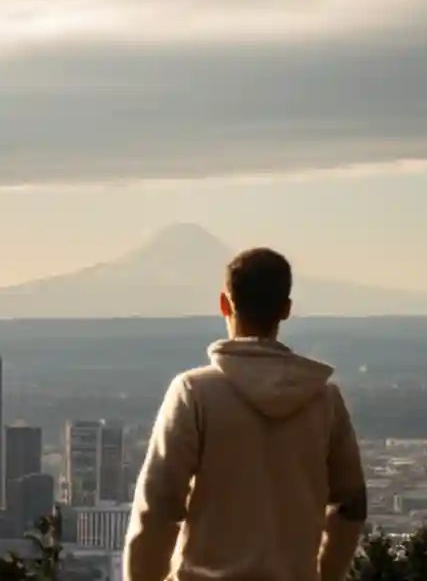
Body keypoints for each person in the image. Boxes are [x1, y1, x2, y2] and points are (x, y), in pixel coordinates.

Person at [124, 247, 366, 581]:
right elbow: (351, 505)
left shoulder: (195, 393)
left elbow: (159, 507)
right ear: (286, 310)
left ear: (224, 303)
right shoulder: (324, 400)